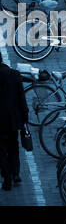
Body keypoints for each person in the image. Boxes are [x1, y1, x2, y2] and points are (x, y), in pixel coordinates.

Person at [0, 59, 28, 191]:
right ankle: (15, 173)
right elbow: (22, 99)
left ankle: (6, 177)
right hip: (12, 119)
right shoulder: (14, 74)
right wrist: (24, 118)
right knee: (13, 146)